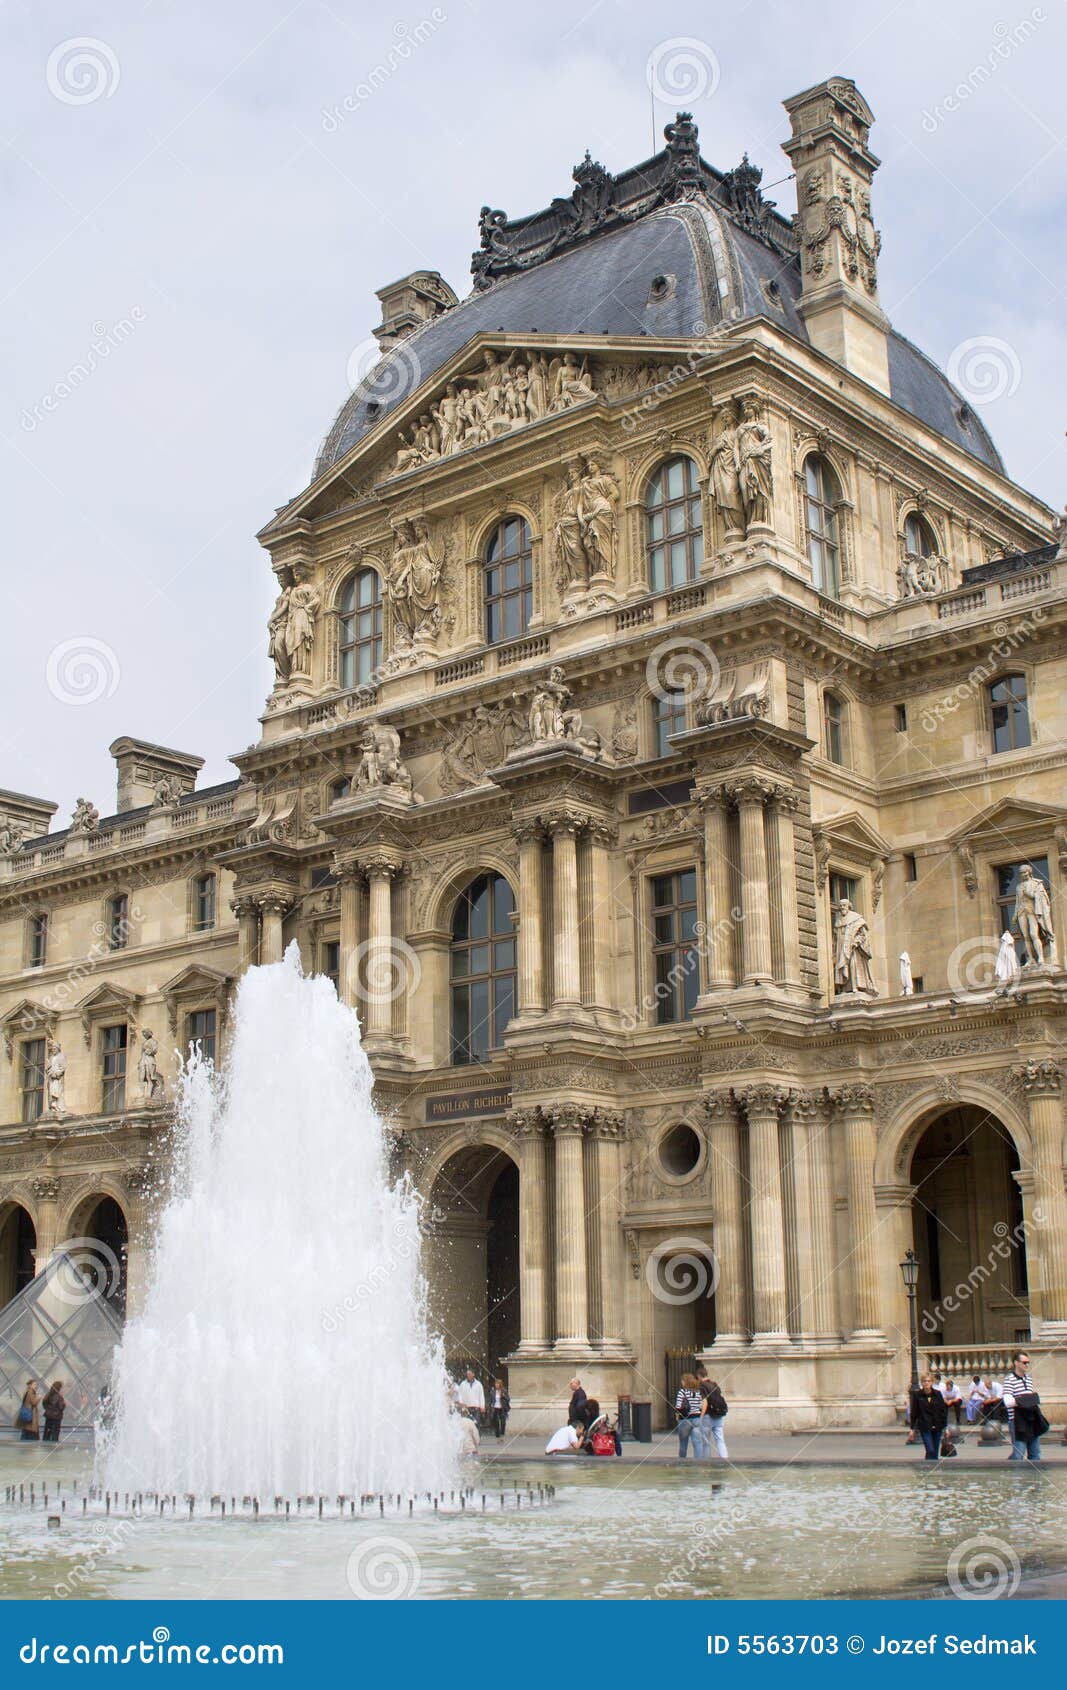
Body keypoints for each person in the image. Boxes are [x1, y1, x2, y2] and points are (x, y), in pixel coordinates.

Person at [1003, 1351, 1047, 1463]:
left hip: (1031, 1418)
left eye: (1028, 1362)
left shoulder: (1029, 1378)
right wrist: (1028, 1399)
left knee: (1035, 1453)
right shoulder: (1009, 1379)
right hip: (1017, 1421)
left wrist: (1026, 1400)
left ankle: (1034, 1479)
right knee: (1019, 1454)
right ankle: (1012, 1473)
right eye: (1024, 1362)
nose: (1027, 1365)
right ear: (1016, 1363)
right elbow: (1008, 1401)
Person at [908, 1373, 948, 1461]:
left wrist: (946, 1427)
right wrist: (912, 1429)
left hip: (937, 1425)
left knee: (935, 1450)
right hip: (925, 1425)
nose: (926, 1383)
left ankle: (929, 1468)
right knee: (930, 1449)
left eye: (928, 1381)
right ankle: (929, 1466)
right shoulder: (917, 1395)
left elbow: (943, 1411)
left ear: (932, 1382)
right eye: (924, 1381)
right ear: (922, 1383)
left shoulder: (937, 1394)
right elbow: (914, 1412)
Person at [674, 1373, 704, 1459]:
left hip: (685, 1419)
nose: (681, 1382)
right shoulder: (698, 1392)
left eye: (682, 1381)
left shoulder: (682, 1392)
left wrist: (677, 1415)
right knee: (697, 1442)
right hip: (696, 1418)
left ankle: (682, 1461)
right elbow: (700, 1406)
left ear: (685, 1382)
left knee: (683, 1443)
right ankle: (699, 1462)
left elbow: (678, 1406)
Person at [700, 1378, 730, 1461]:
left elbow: (704, 1402)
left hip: (708, 1416)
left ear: (699, 1376)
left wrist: (701, 1416)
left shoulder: (702, 1386)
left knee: (706, 1442)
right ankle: (725, 1459)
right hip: (719, 1415)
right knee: (720, 1440)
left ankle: (706, 1461)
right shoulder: (715, 1384)